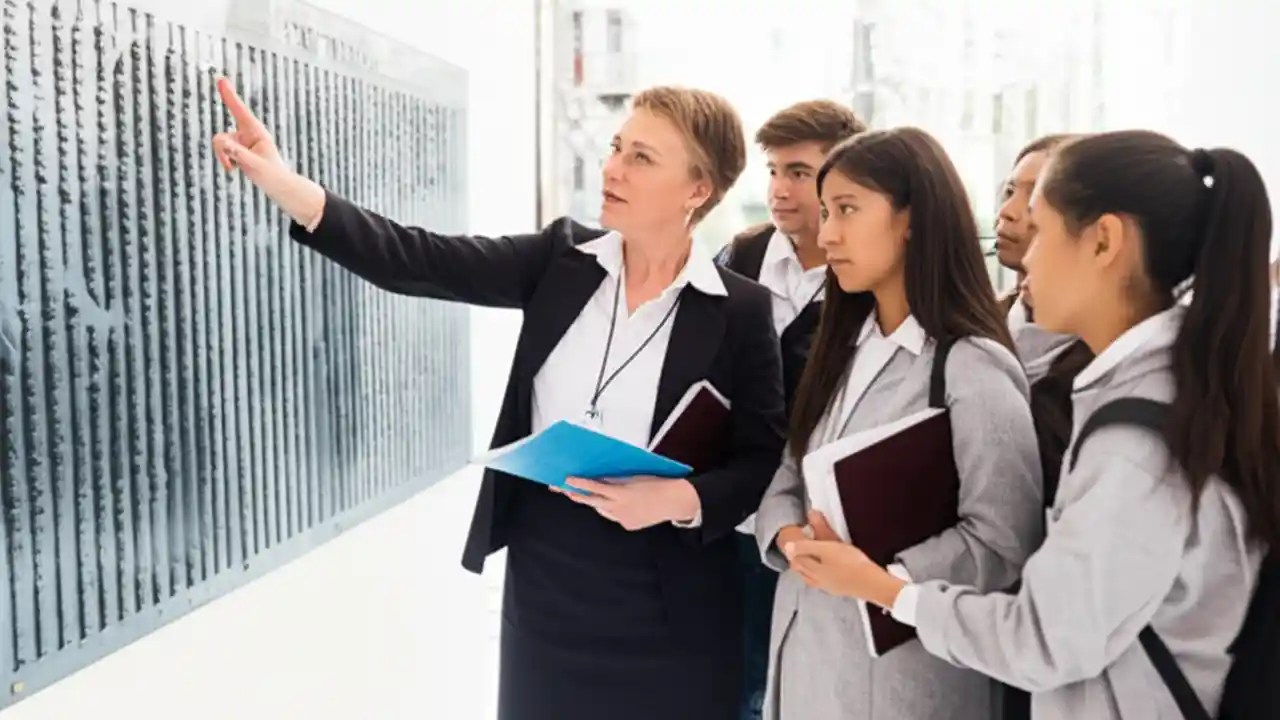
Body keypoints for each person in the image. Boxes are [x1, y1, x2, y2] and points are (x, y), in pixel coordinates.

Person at [211, 78, 787, 720]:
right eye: (617, 147)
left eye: (641, 158)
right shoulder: (561, 260)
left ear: (697, 191)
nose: (612, 168)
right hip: (547, 589)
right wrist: (288, 186)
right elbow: (416, 258)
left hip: (674, 608)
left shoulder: (739, 311)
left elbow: (760, 460)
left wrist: (676, 499)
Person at [785, 130, 1280, 719]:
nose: (1024, 253)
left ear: (1104, 241)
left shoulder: (1136, 441)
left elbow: (1043, 639)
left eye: (1040, 228)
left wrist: (884, 589)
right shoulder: (1160, 391)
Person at [753, 127, 1044, 719]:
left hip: (907, 679)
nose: (827, 233)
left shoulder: (971, 365)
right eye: (827, 212)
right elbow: (790, 474)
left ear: (912, 219)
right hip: (807, 653)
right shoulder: (839, 348)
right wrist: (789, 538)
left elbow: (1005, 540)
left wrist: (880, 577)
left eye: (848, 210)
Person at [715, 99, 865, 720]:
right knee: (725, 674)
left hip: (804, 522)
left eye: (799, 173)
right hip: (723, 508)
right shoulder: (743, 254)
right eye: (774, 171)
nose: (778, 189)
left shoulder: (863, 275)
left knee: (783, 683)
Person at [994, 134, 1079, 375]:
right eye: (1009, 191)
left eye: (1033, 197)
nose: (1006, 211)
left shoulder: (1103, 344)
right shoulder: (980, 325)